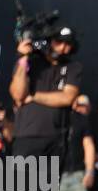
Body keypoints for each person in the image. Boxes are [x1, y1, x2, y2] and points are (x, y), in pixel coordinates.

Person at [9, 26, 83, 160]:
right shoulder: (31, 61)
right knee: (21, 181)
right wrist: (23, 58)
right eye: (58, 42)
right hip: (27, 136)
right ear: (50, 41)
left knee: (50, 181)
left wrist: (33, 96)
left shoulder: (73, 67)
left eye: (67, 44)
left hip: (56, 138)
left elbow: (67, 97)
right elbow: (18, 95)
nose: (62, 48)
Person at [59, 95, 95, 191]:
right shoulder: (48, 118)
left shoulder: (81, 119)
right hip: (53, 175)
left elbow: (88, 145)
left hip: (77, 175)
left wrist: (90, 172)